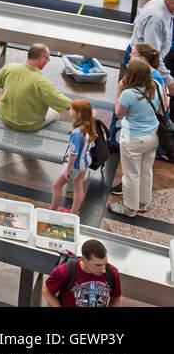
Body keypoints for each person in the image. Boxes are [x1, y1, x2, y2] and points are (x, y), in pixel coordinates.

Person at [109, 59, 161, 219]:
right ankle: (143, 203)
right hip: (153, 135)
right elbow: (159, 109)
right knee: (146, 171)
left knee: (131, 174)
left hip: (133, 138)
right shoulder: (155, 86)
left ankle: (129, 207)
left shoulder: (128, 94)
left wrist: (119, 90)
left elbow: (119, 113)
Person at [0, 43, 74, 131]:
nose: (47, 62)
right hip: (28, 125)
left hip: (5, 117)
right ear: (41, 59)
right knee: (57, 111)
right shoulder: (42, 82)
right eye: (47, 59)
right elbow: (66, 104)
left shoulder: (9, 67)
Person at [50, 99, 97, 214]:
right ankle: (74, 211)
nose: (69, 109)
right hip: (86, 161)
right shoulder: (89, 126)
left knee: (56, 186)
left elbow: (73, 154)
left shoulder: (76, 133)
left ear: (78, 114)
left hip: (75, 165)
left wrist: (68, 170)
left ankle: (52, 210)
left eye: (71, 108)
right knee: (78, 185)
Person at [43, 239, 121, 307]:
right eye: (98, 265)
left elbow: (115, 299)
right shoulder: (64, 271)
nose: (104, 270)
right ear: (84, 259)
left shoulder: (112, 273)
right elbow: (47, 291)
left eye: (105, 263)